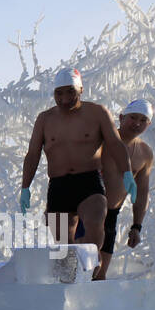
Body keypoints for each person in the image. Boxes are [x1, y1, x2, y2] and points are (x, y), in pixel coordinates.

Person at [20, 67, 134, 265]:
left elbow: (115, 143)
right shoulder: (45, 119)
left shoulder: (97, 113)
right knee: (63, 246)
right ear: (54, 93)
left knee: (95, 221)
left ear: (81, 89)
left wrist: (127, 173)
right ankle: (71, 277)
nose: (64, 98)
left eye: (70, 92)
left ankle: (91, 265)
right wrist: (25, 187)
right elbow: (32, 155)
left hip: (88, 181)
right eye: (59, 93)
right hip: (58, 185)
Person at [94, 99, 155, 281]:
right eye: (133, 118)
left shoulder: (145, 153)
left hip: (111, 216)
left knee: (99, 276)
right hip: (84, 212)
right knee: (73, 269)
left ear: (148, 124)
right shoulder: (101, 140)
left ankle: (93, 309)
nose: (137, 123)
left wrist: (137, 226)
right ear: (121, 118)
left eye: (143, 120)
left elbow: (143, 192)